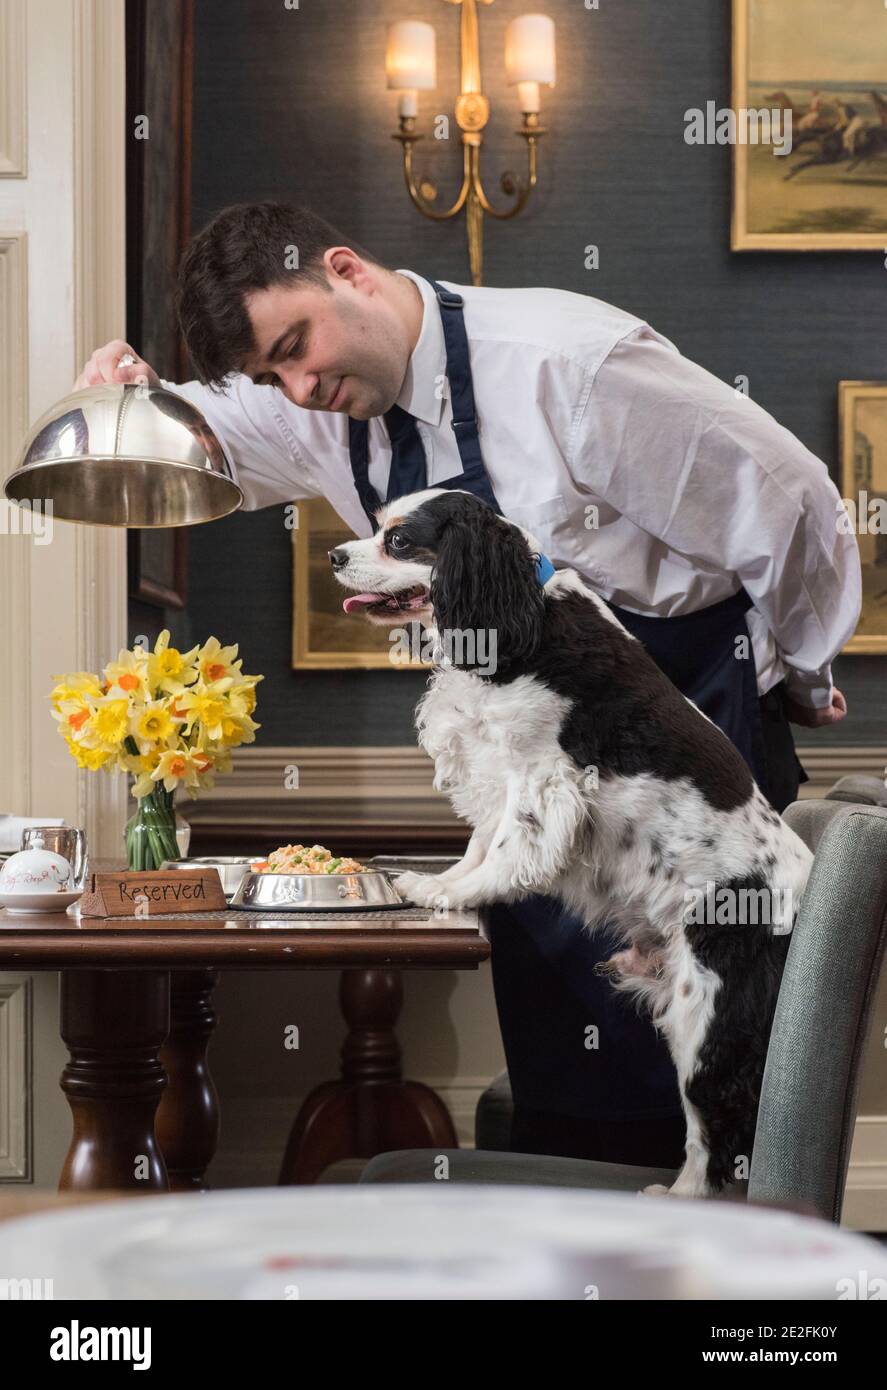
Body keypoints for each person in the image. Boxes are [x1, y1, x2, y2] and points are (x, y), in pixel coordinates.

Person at [74, 202, 861, 1168]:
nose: (298, 387)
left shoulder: (568, 364)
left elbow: (794, 503)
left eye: (296, 347)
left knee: (709, 1088)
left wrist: (795, 671)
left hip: (685, 733)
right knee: (571, 1104)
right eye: (269, 375)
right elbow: (194, 438)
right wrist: (129, 396)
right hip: (530, 769)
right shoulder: (312, 398)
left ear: (347, 271)